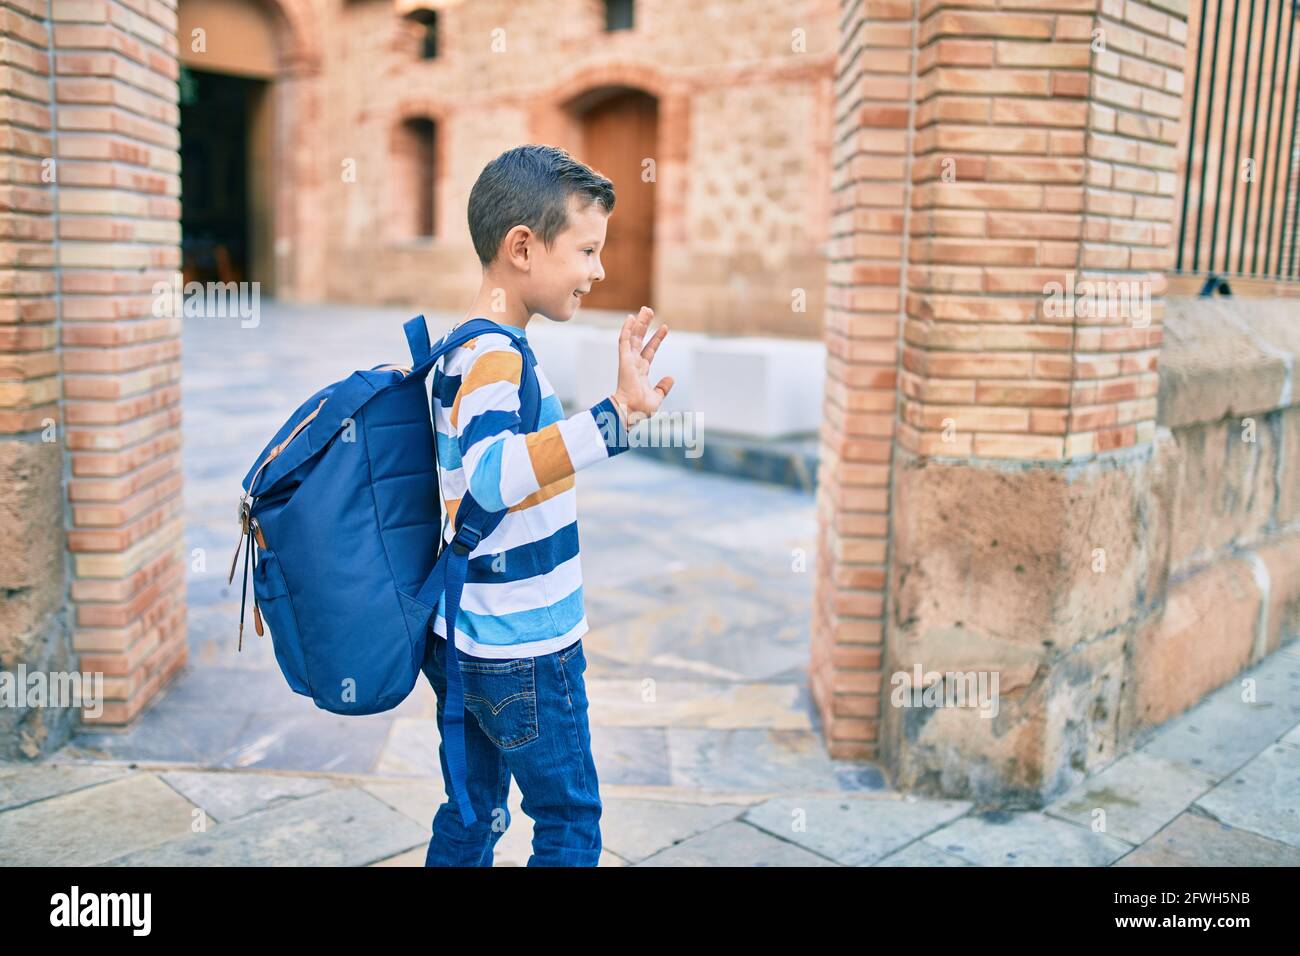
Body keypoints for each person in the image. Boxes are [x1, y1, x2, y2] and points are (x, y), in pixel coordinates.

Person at [421, 144, 673, 866]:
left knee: (473, 813)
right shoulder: (497, 354)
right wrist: (613, 415)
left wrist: (616, 418)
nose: (598, 271)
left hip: (465, 636)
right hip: (524, 646)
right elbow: (495, 474)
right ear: (523, 248)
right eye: (587, 249)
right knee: (568, 821)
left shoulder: (464, 349)